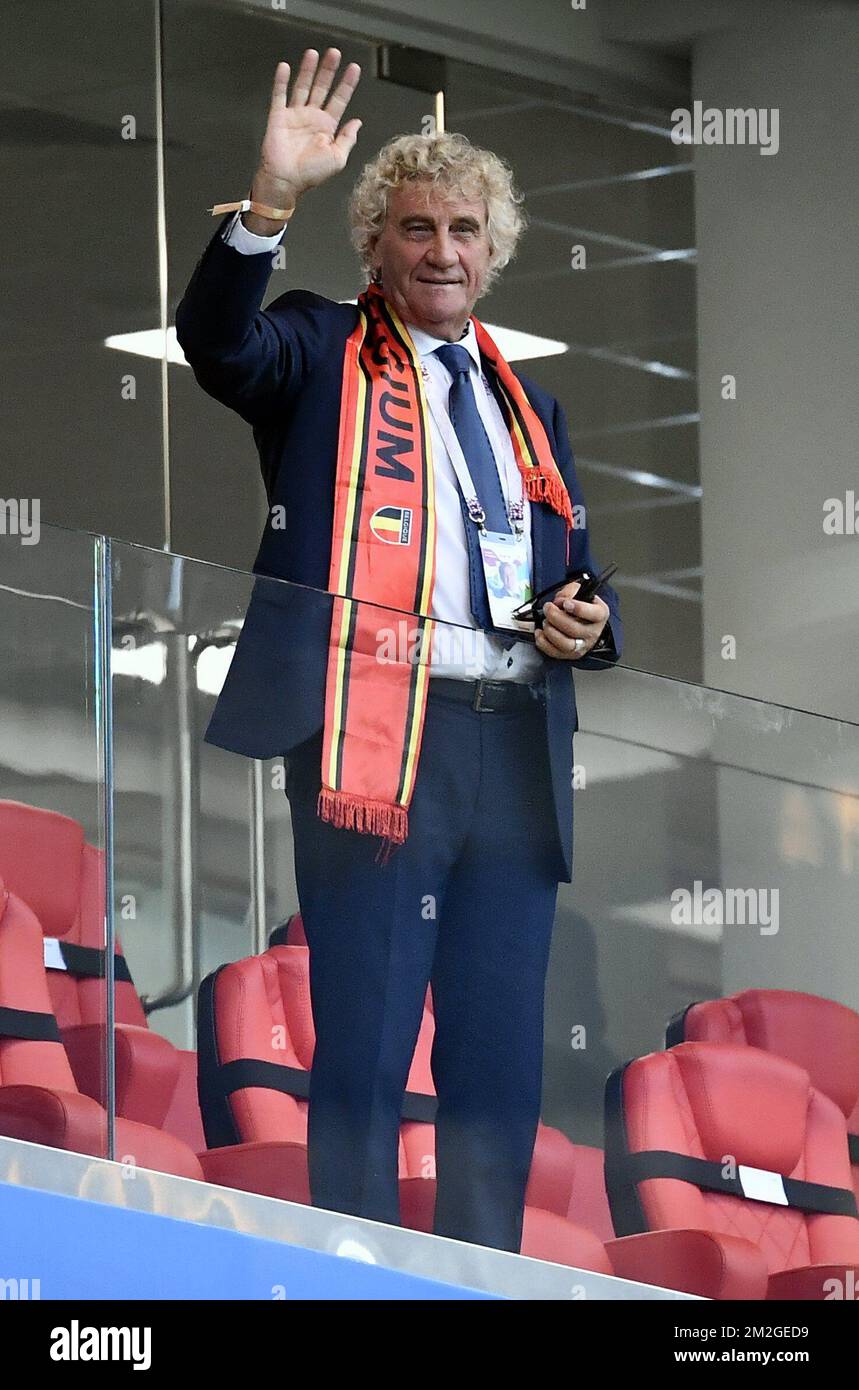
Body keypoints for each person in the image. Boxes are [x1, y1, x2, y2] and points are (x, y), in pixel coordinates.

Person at [176, 48, 623, 1254]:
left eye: (464, 230)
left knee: (497, 1057)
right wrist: (270, 204)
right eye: (414, 227)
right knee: (367, 1037)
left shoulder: (529, 404)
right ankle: (360, 1277)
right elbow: (216, 345)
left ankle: (482, 1281)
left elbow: (577, 567)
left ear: (494, 249)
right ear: (374, 244)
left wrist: (589, 621)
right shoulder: (317, 350)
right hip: (379, 744)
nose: (441, 251)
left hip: (511, 752)